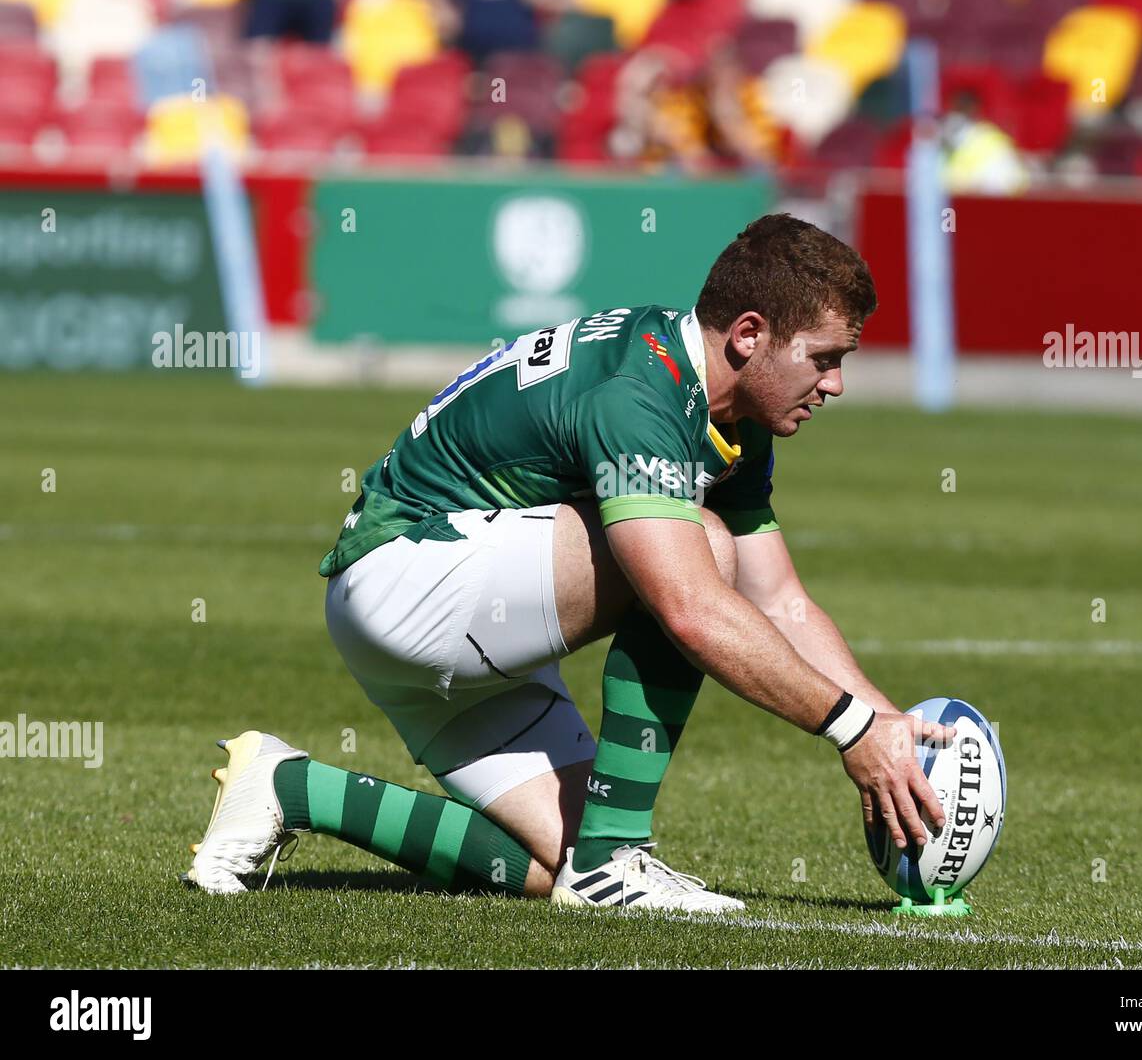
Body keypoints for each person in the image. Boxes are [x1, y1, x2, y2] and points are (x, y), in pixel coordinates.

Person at [183, 213, 954, 912]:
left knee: (549, 864)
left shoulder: (730, 413)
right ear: (749, 335)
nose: (837, 383)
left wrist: (888, 723)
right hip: (410, 578)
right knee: (699, 554)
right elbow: (689, 606)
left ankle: (291, 787)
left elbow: (781, 599)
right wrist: (848, 729)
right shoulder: (641, 391)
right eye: (824, 358)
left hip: (438, 606)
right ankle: (616, 861)